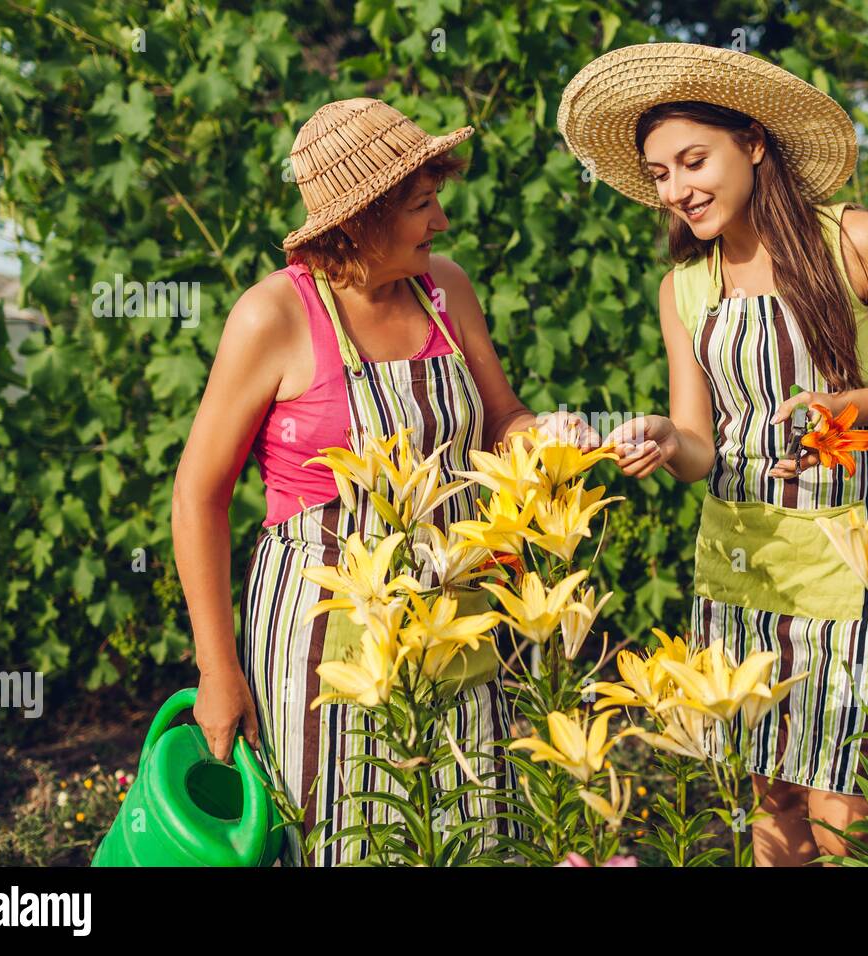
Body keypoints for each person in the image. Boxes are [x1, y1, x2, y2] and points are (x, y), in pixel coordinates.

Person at [557, 43, 868, 865]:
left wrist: (851, 405)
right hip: (742, 563)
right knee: (768, 786)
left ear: (752, 141)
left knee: (846, 795)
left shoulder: (852, 237)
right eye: (660, 173)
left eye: (692, 160)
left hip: (855, 556)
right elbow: (701, 446)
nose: (677, 189)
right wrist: (666, 442)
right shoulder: (686, 287)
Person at [171, 97, 593, 865]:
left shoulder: (445, 290)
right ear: (358, 219)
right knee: (348, 831)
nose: (440, 223)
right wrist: (216, 670)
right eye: (422, 206)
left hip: (455, 610)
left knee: (469, 827)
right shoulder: (274, 316)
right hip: (322, 637)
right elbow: (198, 495)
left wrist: (555, 435)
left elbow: (503, 419)